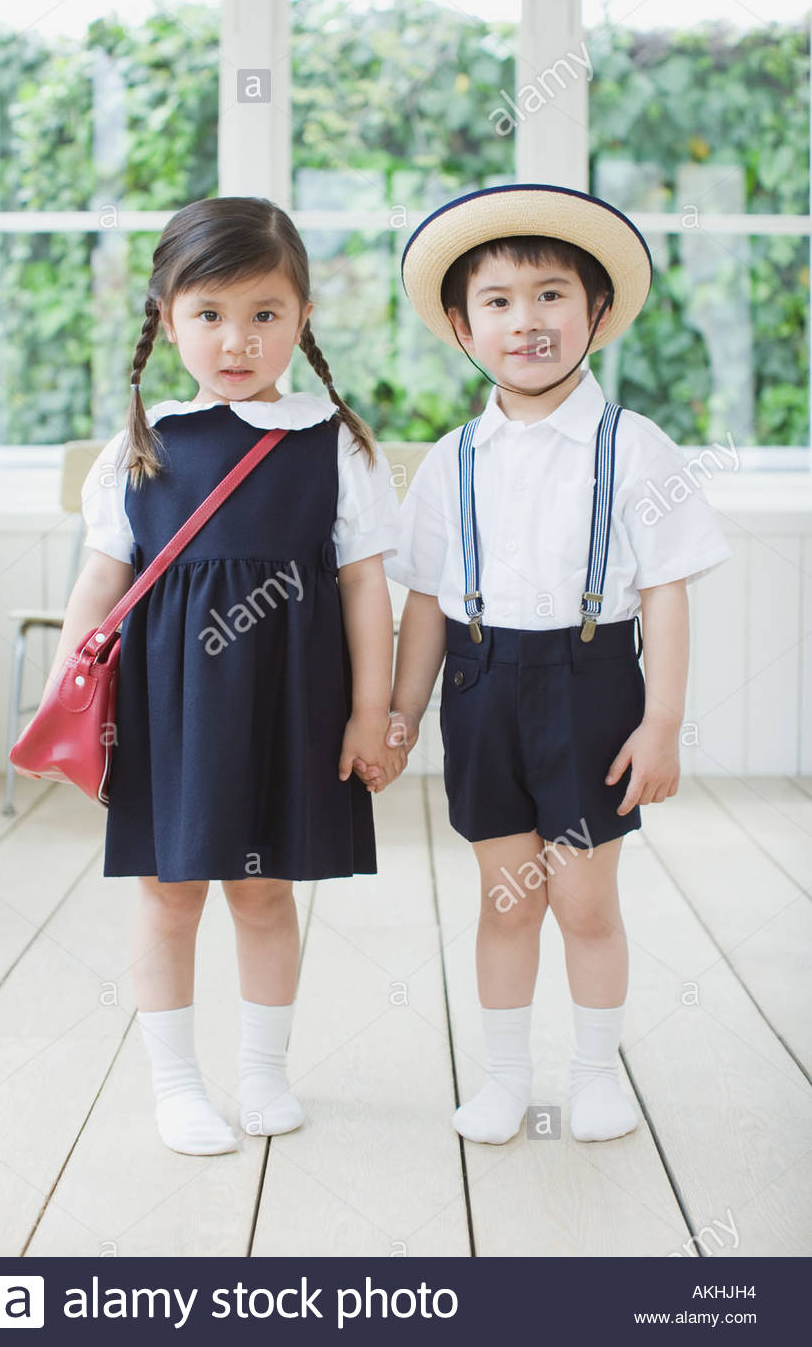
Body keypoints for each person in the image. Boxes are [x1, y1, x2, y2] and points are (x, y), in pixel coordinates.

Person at [42, 196, 406, 1156]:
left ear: (303, 317)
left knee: (265, 890)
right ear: (167, 319)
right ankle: (175, 1086)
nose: (236, 340)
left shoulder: (333, 445)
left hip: (290, 703)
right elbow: (100, 581)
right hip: (171, 709)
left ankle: (262, 1073)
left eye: (264, 314)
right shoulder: (142, 446)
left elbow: (368, 591)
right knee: (169, 891)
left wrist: (373, 713)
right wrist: (68, 696)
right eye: (209, 315)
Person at [374, 184, 731, 1144]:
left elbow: (666, 591)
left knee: (582, 898)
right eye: (497, 301)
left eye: (550, 296)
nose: (525, 321)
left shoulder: (635, 447)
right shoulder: (453, 458)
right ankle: (502, 1079)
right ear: (461, 325)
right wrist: (402, 712)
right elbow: (427, 600)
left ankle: (595, 1073)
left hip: (594, 687)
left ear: (597, 313)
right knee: (506, 899)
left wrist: (661, 722)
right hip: (482, 692)